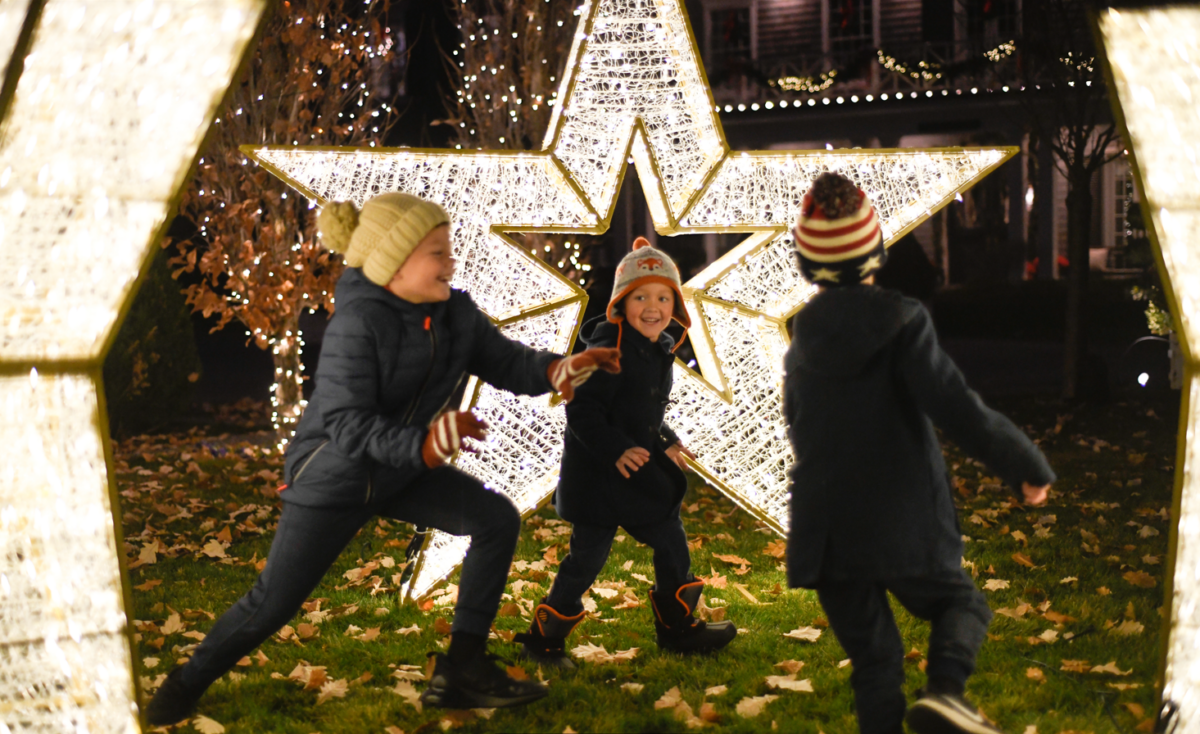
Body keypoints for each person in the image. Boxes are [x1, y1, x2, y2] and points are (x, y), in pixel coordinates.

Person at [144, 193, 621, 724]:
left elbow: (507, 361)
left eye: (448, 250)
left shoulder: (456, 313)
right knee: (269, 606)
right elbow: (347, 423)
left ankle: (462, 669)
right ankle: (183, 685)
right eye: (436, 252)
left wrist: (557, 369)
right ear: (395, 263)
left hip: (402, 469)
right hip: (334, 478)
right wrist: (424, 445)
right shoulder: (358, 324)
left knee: (494, 519)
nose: (450, 263)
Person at [782, 173, 1054, 734]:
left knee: (875, 661)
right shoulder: (902, 319)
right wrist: (1024, 464)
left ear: (810, 265)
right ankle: (946, 693)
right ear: (874, 253)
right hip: (900, 517)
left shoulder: (802, 333)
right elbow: (954, 405)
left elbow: (797, 421)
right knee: (962, 605)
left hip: (826, 531)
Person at [515, 237, 736, 669]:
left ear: (675, 305)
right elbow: (583, 410)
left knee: (670, 539)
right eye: (640, 297)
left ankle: (677, 626)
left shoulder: (655, 348)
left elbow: (641, 411)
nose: (653, 308)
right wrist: (616, 448)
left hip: (637, 476)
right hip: (598, 479)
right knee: (586, 559)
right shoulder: (607, 350)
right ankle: (543, 641)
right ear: (620, 303)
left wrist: (666, 439)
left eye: (663, 298)